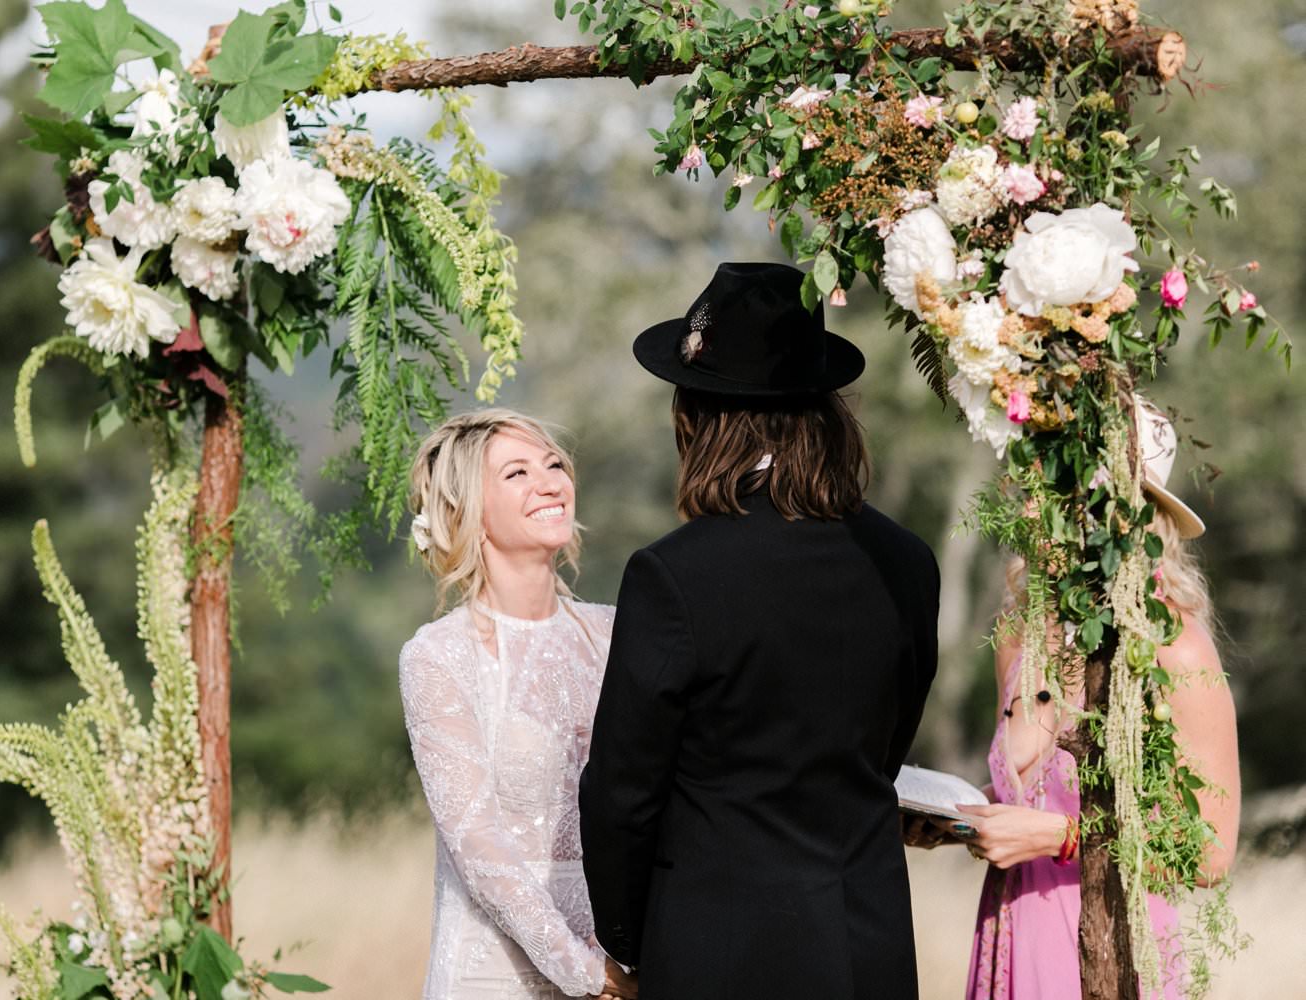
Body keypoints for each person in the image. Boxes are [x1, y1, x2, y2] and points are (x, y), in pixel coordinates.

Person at [579, 262, 941, 999]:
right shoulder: (909, 561)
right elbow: (885, 747)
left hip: (719, 948)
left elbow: (624, 790)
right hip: (867, 940)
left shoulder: (674, 575)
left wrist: (626, 937)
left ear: (699, 418)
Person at [907, 397, 1241, 1000]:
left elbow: (1210, 856)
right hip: (1008, 941)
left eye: (1061, 488)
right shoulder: (1017, 632)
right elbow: (1032, 791)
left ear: (1123, 513)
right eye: (1037, 484)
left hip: (1111, 949)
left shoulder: (1175, 651)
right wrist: (956, 819)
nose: (1032, 504)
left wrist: (1059, 837)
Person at [398, 409, 637, 1000]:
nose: (550, 482)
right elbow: (478, 845)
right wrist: (582, 971)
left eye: (555, 465)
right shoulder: (439, 656)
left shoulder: (616, 635)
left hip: (624, 966)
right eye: (518, 473)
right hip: (496, 974)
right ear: (468, 510)